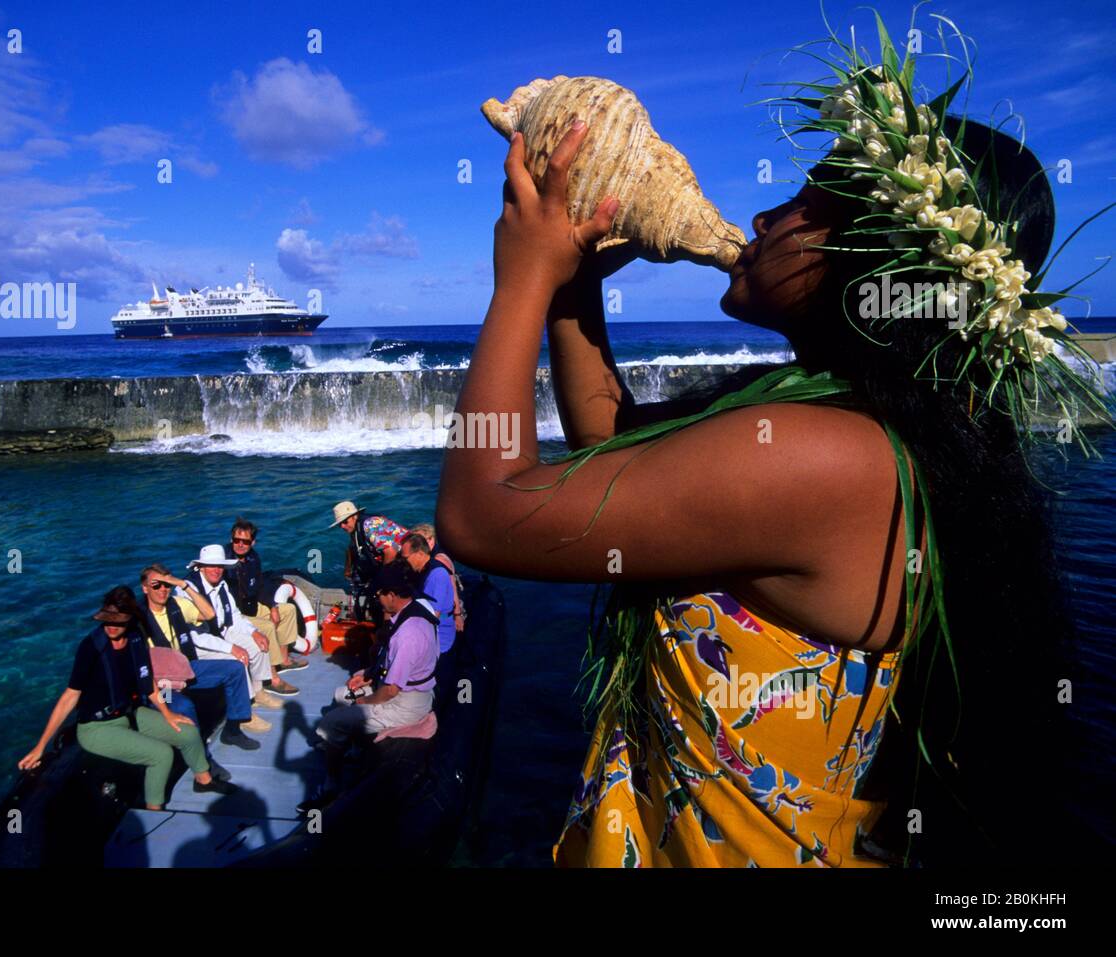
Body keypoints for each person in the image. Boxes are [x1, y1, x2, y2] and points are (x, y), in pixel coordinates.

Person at [433, 16, 1105, 868]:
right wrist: (571, 294)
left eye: (805, 204)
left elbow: (480, 513)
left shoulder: (824, 455)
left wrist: (521, 278)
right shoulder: (867, 437)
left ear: (874, 264)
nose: (764, 212)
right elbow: (609, 450)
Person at [18, 588, 235, 810]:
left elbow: (147, 682)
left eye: (119, 621)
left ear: (130, 619)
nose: (112, 626)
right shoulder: (91, 647)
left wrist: (168, 714)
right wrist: (40, 746)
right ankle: (154, 810)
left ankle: (204, 781)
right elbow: (70, 696)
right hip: (97, 728)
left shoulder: (135, 640)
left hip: (129, 714)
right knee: (160, 754)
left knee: (188, 732)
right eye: (107, 621)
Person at [300, 562, 438, 813]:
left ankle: (331, 786)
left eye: (380, 594)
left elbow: (390, 691)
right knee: (341, 695)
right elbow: (394, 666)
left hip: (405, 703)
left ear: (392, 595)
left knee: (330, 723)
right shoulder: (417, 611)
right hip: (408, 690)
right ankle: (354, 750)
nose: (378, 599)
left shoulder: (406, 635)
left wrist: (365, 701)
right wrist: (367, 675)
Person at [136, 564, 265, 748]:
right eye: (157, 585)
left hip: (186, 668)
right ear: (145, 588)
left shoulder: (177, 605)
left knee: (236, 668)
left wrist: (182, 584)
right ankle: (201, 753)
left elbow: (209, 614)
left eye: (167, 585)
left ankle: (233, 730)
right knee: (182, 707)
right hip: (162, 681)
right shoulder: (138, 618)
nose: (163, 590)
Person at [185, 544, 283, 717]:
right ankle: (245, 708)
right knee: (237, 658)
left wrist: (254, 632)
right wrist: (231, 648)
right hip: (201, 643)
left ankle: (258, 692)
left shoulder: (221, 585)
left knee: (259, 644)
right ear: (200, 567)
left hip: (223, 632)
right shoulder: (188, 590)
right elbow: (196, 637)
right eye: (212, 566)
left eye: (220, 566)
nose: (217, 570)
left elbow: (235, 616)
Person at [225, 518, 307, 693]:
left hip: (252, 605)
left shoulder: (253, 558)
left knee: (288, 610)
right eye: (236, 540)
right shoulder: (223, 560)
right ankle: (272, 679)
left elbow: (259, 585)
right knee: (268, 627)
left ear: (252, 542)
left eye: (245, 542)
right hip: (236, 613)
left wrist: (273, 606)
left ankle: (283, 661)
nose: (240, 545)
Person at [329, 501, 408, 624]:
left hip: (405, 559)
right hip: (392, 561)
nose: (343, 527)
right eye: (340, 524)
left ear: (355, 516)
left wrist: (381, 582)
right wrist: (348, 568)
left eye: (345, 522)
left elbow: (390, 552)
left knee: (382, 592)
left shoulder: (368, 525)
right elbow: (352, 548)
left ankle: (388, 625)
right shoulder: (356, 529)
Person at [400, 533, 458, 680]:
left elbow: (433, 615)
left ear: (419, 554)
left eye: (406, 558)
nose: (404, 562)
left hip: (440, 640)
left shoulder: (437, 575)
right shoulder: (421, 571)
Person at [409, 522, 465, 635]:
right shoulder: (433, 554)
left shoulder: (440, 559)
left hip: (446, 612)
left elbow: (452, 586)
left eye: (420, 541)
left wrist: (457, 615)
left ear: (431, 540)